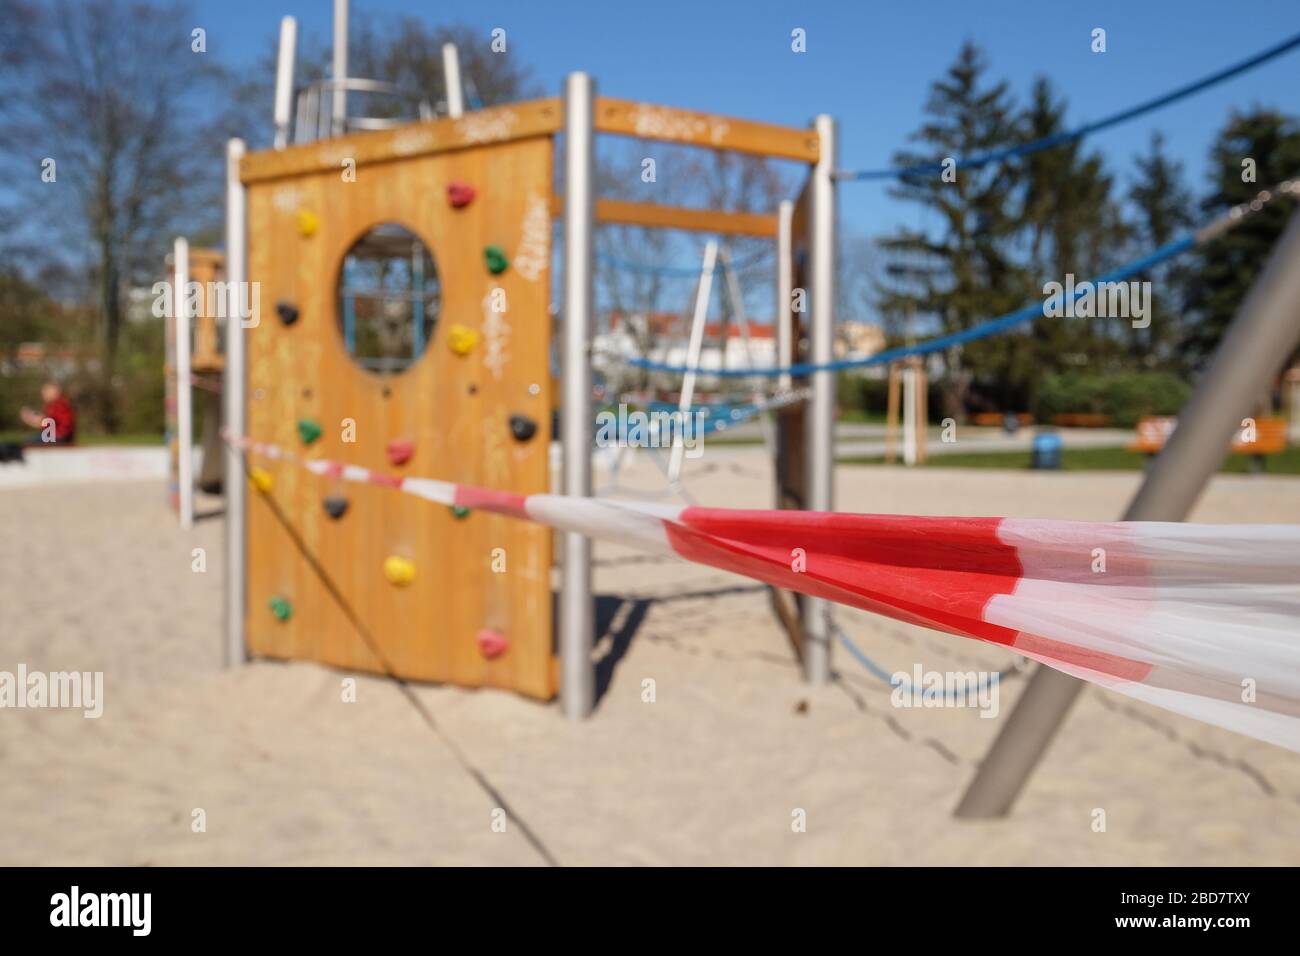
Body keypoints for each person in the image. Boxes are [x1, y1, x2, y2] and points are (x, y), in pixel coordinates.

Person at [0, 380, 77, 463]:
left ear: (54, 392)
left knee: (23, 445)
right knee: (24, 443)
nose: (43, 394)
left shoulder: (59, 404)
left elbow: (46, 422)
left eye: (46, 391)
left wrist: (29, 417)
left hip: (57, 438)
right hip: (54, 437)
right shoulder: (56, 404)